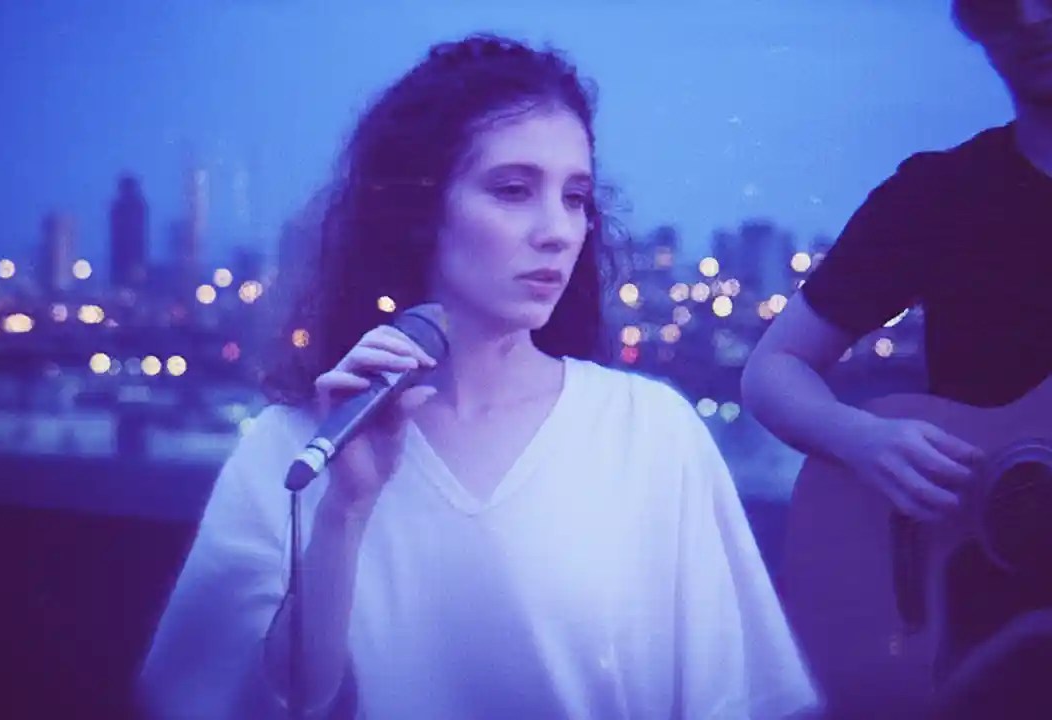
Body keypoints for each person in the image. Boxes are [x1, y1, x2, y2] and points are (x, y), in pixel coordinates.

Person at [138, 33, 819, 720]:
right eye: (514, 190)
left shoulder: (648, 432)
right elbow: (248, 700)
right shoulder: (291, 453)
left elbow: (742, 697)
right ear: (420, 211)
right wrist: (343, 514)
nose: (558, 230)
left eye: (576, 197)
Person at [741, 0, 1052, 717]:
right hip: (977, 664)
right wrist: (864, 439)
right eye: (994, 1)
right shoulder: (937, 196)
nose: (1030, 16)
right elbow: (773, 370)